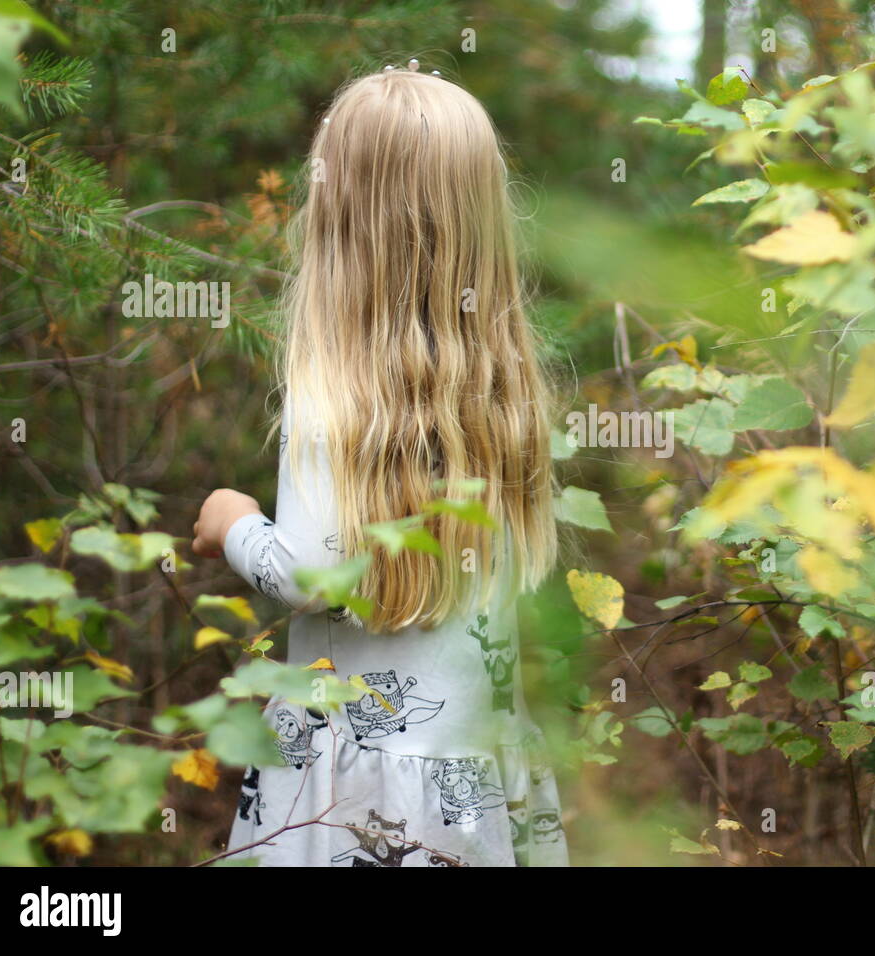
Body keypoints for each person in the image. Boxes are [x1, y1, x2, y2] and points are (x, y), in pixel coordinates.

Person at [190, 63, 566, 867]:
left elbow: (315, 578)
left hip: (350, 793)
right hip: (471, 768)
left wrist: (234, 524)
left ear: (340, 224)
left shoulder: (332, 401)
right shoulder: (504, 393)